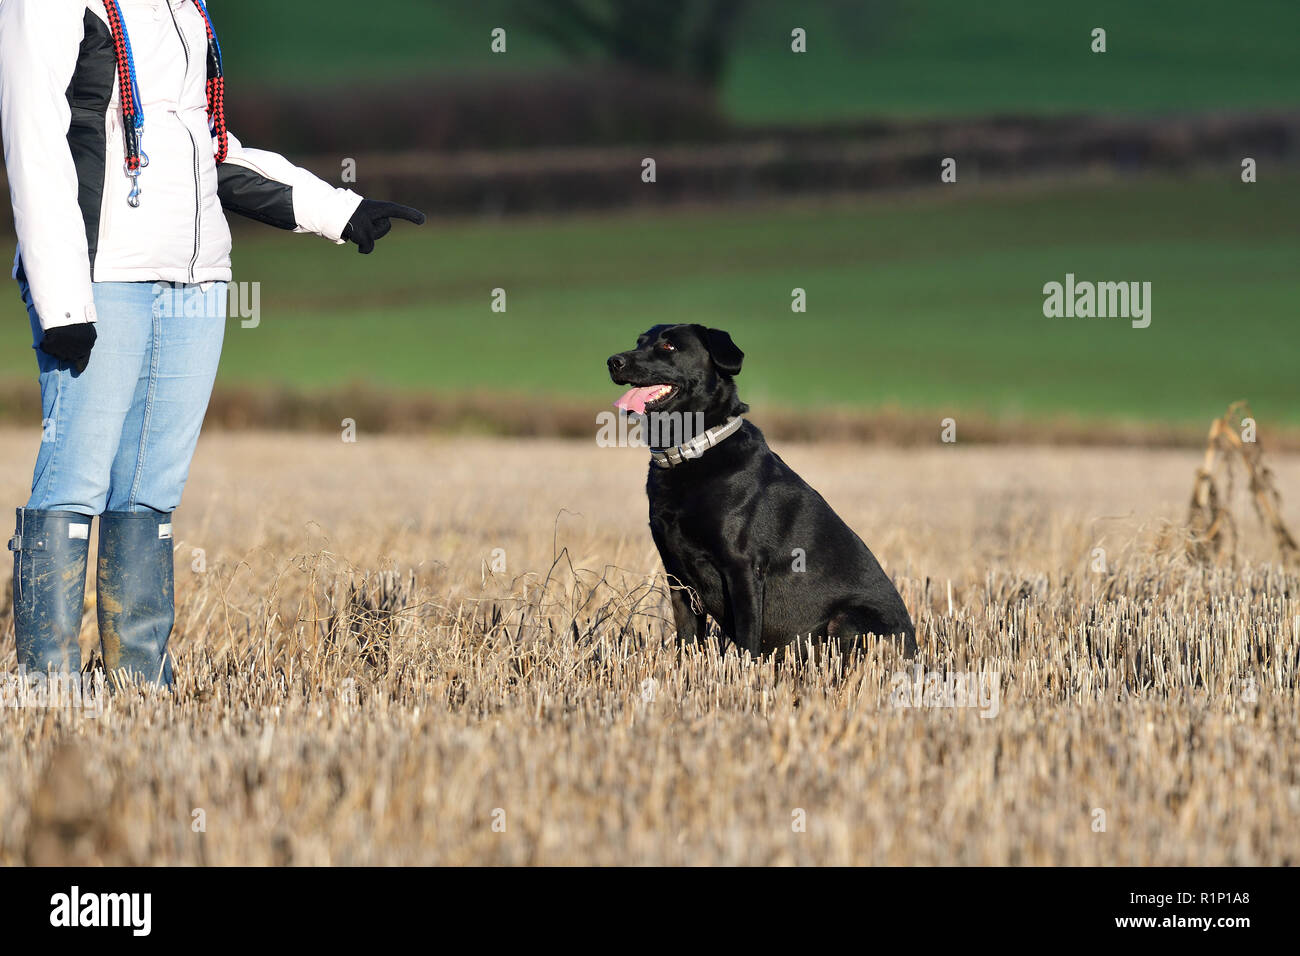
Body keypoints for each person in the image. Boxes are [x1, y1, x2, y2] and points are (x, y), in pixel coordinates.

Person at [0, 0, 425, 687]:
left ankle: (141, 687)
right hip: (101, 275)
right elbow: (34, 144)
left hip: (196, 282)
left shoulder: (184, 4)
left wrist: (336, 209)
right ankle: (47, 689)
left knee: (149, 491)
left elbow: (208, 148)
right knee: (74, 482)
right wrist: (63, 297)